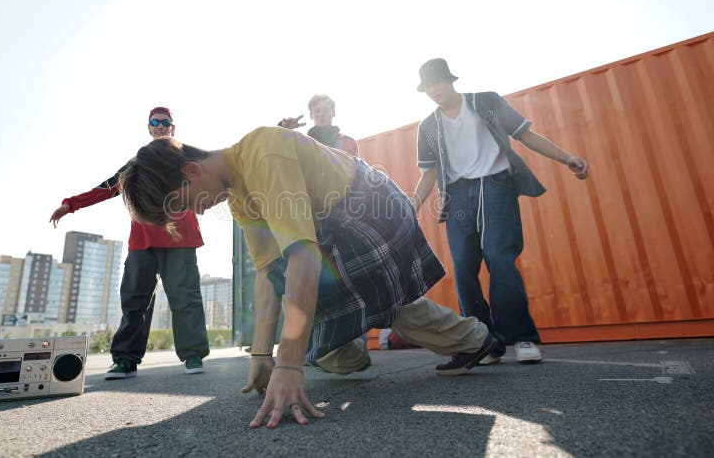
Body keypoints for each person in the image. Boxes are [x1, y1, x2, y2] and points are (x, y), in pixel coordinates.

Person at [117, 126, 496, 429]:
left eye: (185, 203)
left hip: (367, 212)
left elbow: (303, 256)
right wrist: (264, 354)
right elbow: (268, 273)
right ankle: (370, 332)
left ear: (192, 170)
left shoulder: (263, 150)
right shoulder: (236, 195)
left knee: (370, 303)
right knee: (330, 353)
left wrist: (289, 364)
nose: (195, 212)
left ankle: (470, 336)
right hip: (334, 233)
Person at [411, 58, 590, 365]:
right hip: (457, 197)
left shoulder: (487, 102)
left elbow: (525, 134)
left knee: (499, 256)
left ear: (450, 80)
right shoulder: (428, 127)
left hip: (495, 187)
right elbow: (428, 174)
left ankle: (522, 338)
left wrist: (566, 158)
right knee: (464, 268)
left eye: (438, 83)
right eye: (428, 87)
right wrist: (411, 207)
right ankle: (483, 342)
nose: (434, 91)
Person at [49, 106, 209, 378]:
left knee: (185, 298)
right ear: (149, 128)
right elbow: (107, 187)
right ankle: (125, 360)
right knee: (134, 300)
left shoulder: (189, 156)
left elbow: (225, 167)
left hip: (180, 238)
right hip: (142, 240)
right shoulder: (139, 161)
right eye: (155, 122)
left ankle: (193, 355)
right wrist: (70, 204)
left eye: (165, 122)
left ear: (173, 127)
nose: (160, 126)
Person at [278, 94, 359, 156]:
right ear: (311, 115)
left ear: (333, 113)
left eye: (326, 110)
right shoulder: (303, 143)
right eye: (317, 111)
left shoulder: (348, 142)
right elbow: (281, 152)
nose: (321, 114)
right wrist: (283, 127)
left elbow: (354, 172)